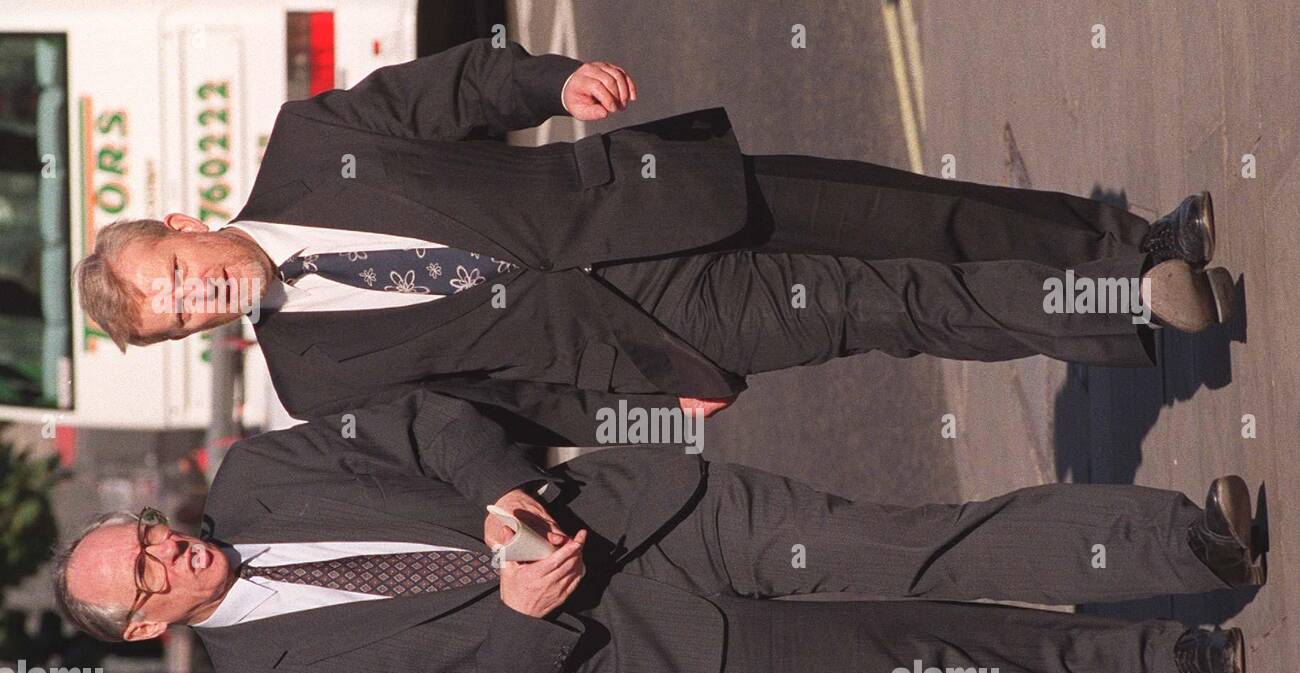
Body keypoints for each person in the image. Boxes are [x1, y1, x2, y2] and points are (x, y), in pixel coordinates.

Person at [53, 391, 1264, 673]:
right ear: (148, 622)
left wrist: (495, 492)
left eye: (148, 533)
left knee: (914, 544)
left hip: (658, 523)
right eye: (146, 574)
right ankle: (1168, 666)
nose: (169, 550)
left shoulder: (263, 471)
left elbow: (427, 421)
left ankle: (1185, 551)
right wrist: (524, 627)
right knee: (937, 662)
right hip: (667, 667)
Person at [73, 39, 1232, 445]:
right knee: (886, 305)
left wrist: (552, 80)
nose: (200, 296)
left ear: (183, 226)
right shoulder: (312, 380)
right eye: (179, 314)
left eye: (176, 276)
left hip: (647, 196)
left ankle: (1123, 242)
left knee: (905, 217)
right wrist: (641, 411)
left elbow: (457, 86)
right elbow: (498, 406)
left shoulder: (311, 137)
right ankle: (1125, 301)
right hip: (650, 335)